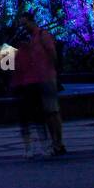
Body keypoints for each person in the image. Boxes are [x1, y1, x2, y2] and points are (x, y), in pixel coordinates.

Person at [11, 10, 67, 158]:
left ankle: (57, 143)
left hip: (45, 78)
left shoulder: (41, 35)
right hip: (29, 83)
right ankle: (48, 144)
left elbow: (52, 54)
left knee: (50, 112)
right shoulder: (22, 42)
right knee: (39, 114)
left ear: (30, 21)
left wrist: (53, 72)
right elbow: (6, 62)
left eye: (24, 24)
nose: (22, 27)